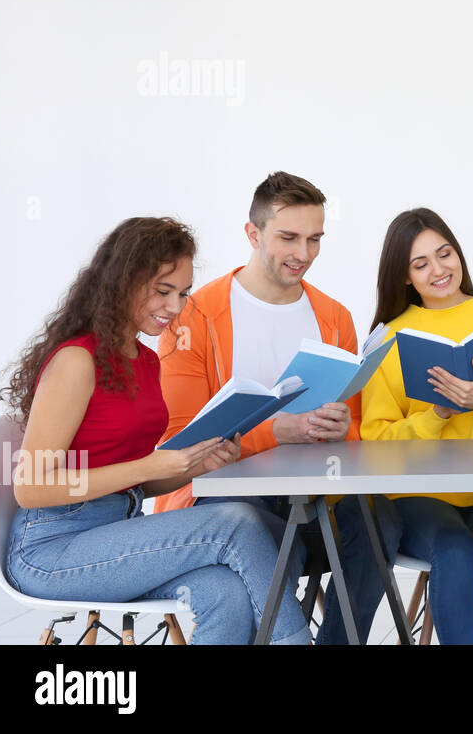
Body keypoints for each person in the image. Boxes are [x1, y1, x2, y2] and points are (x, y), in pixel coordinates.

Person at [0, 217, 311, 644]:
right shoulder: (77, 361)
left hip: (117, 531)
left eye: (182, 293)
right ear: (121, 283)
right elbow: (31, 489)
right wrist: (149, 464)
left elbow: (140, 484)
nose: (175, 306)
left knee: (231, 590)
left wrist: (195, 464)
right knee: (237, 521)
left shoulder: (145, 361)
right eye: (162, 291)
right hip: (51, 550)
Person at [155, 171, 396, 645]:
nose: (303, 254)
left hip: (312, 498)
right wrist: (275, 432)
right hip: (221, 500)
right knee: (266, 546)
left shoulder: (333, 316)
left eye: (314, 239)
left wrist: (344, 425)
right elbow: (178, 440)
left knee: (381, 523)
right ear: (253, 233)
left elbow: (358, 434)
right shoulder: (194, 316)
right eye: (288, 237)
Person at [360, 208, 473, 644]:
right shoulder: (388, 337)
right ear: (404, 277)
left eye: (445, 254)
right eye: (420, 264)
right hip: (420, 493)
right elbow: (377, 442)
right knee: (454, 550)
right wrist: (436, 415)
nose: (439, 270)